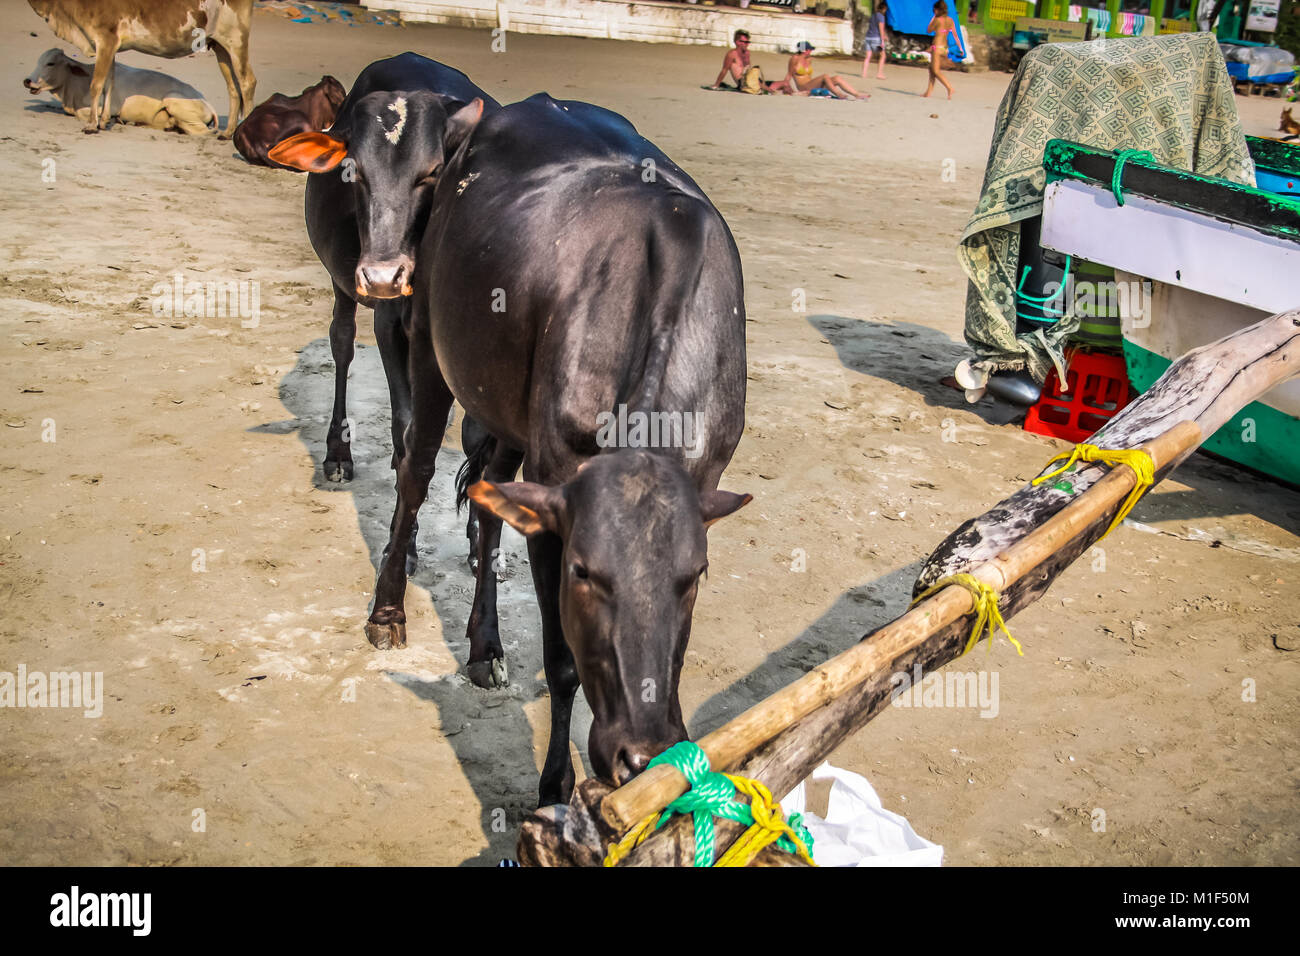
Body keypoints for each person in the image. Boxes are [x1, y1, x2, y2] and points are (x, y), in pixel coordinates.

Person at [710, 28, 792, 94]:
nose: (747, 44)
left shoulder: (747, 53)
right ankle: (770, 90)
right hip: (744, 83)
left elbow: (750, 71)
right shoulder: (732, 54)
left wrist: (760, 81)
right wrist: (716, 85)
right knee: (770, 90)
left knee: (786, 84)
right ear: (737, 42)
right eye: (745, 42)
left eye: (748, 42)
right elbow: (724, 70)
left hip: (754, 80)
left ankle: (796, 96)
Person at [785, 41, 870, 100]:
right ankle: (838, 94)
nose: (811, 51)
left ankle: (857, 94)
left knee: (837, 78)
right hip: (803, 87)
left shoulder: (809, 59)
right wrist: (785, 86)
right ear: (803, 50)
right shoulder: (794, 59)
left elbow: (809, 77)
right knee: (824, 76)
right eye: (809, 49)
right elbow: (789, 74)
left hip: (811, 85)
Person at [924, 1, 957, 99]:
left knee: (935, 70)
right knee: (931, 69)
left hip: (937, 47)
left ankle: (949, 88)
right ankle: (928, 92)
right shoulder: (950, 20)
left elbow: (929, 30)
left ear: (937, 10)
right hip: (945, 47)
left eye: (934, 9)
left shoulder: (937, 20)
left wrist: (933, 17)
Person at [861, 1, 890, 80]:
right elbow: (881, 29)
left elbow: (873, 28)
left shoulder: (873, 16)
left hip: (868, 38)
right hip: (876, 40)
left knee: (868, 56)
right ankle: (879, 74)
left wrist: (884, 35)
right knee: (883, 55)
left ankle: (864, 73)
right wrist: (882, 41)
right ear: (884, 8)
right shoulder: (881, 17)